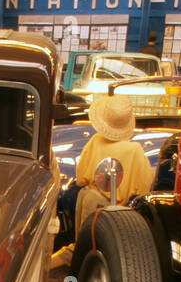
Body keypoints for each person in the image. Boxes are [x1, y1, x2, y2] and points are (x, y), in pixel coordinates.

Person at [50, 93, 154, 270]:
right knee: (96, 251)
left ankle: (52, 269)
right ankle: (64, 278)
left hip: (87, 197)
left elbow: (81, 176)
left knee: (81, 246)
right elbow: (145, 187)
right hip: (111, 208)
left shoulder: (95, 141)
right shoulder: (135, 151)